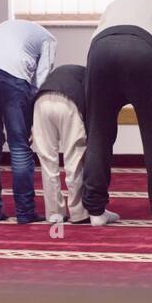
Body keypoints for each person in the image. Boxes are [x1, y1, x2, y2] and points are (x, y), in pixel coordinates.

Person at [84, 0, 152, 228]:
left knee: (98, 133)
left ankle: (96, 211)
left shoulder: (117, 2)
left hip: (99, 52)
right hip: (143, 52)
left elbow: (95, 38)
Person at [0, 19, 56, 224]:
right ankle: (25, 212)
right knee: (19, 146)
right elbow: (42, 78)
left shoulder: (4, 25)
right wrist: (33, 115)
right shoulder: (48, 39)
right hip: (12, 74)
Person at [32, 64, 89, 225]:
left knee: (48, 162)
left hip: (40, 102)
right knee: (74, 159)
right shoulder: (89, 75)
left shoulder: (65, 71)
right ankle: (78, 212)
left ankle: (54, 212)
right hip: (69, 102)